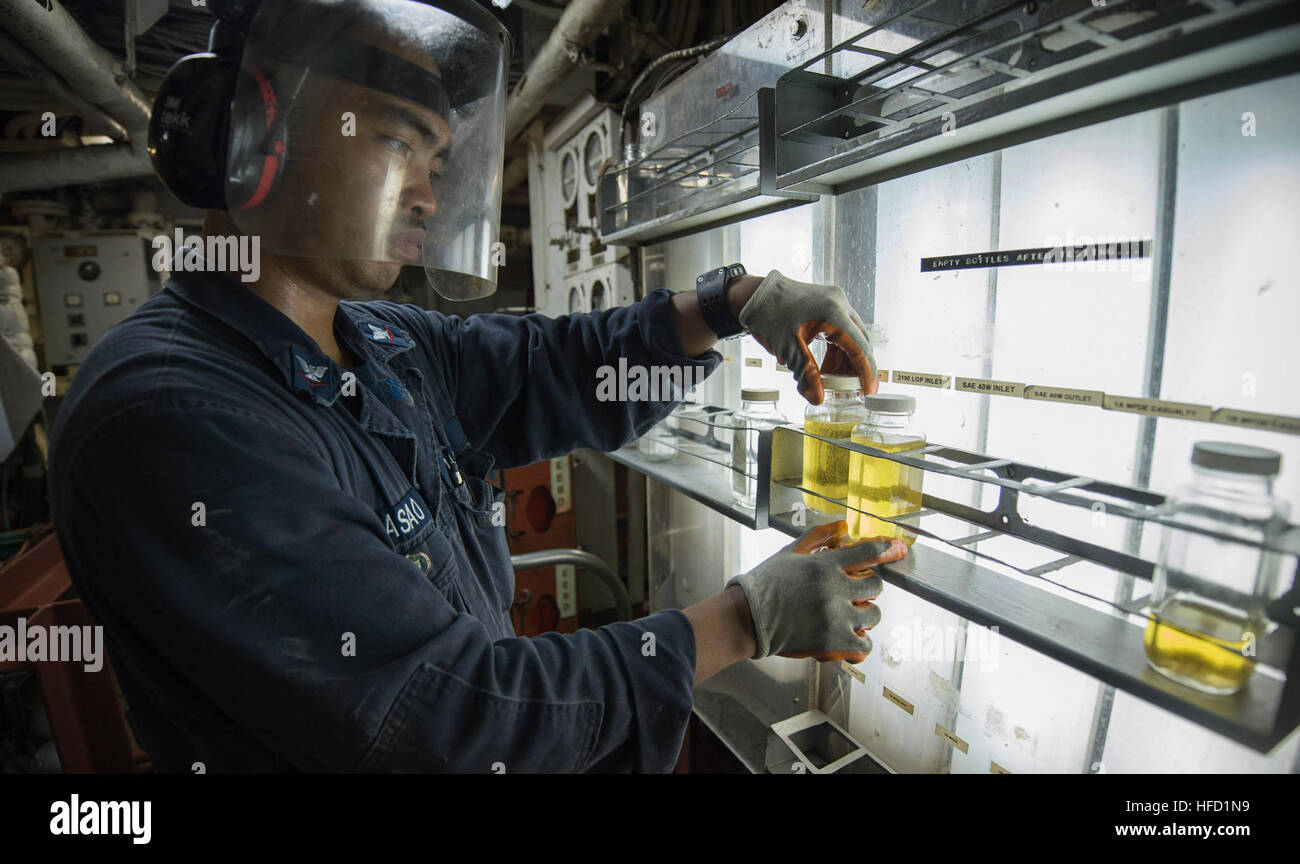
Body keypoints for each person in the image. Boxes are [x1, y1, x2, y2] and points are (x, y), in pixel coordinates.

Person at [50, 0, 906, 773]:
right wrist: (739, 623)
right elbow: (446, 719)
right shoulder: (175, 414)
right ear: (251, 129)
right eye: (394, 139)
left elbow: (550, 367)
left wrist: (731, 304)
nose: (427, 194)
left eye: (436, 157)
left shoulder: (375, 339)